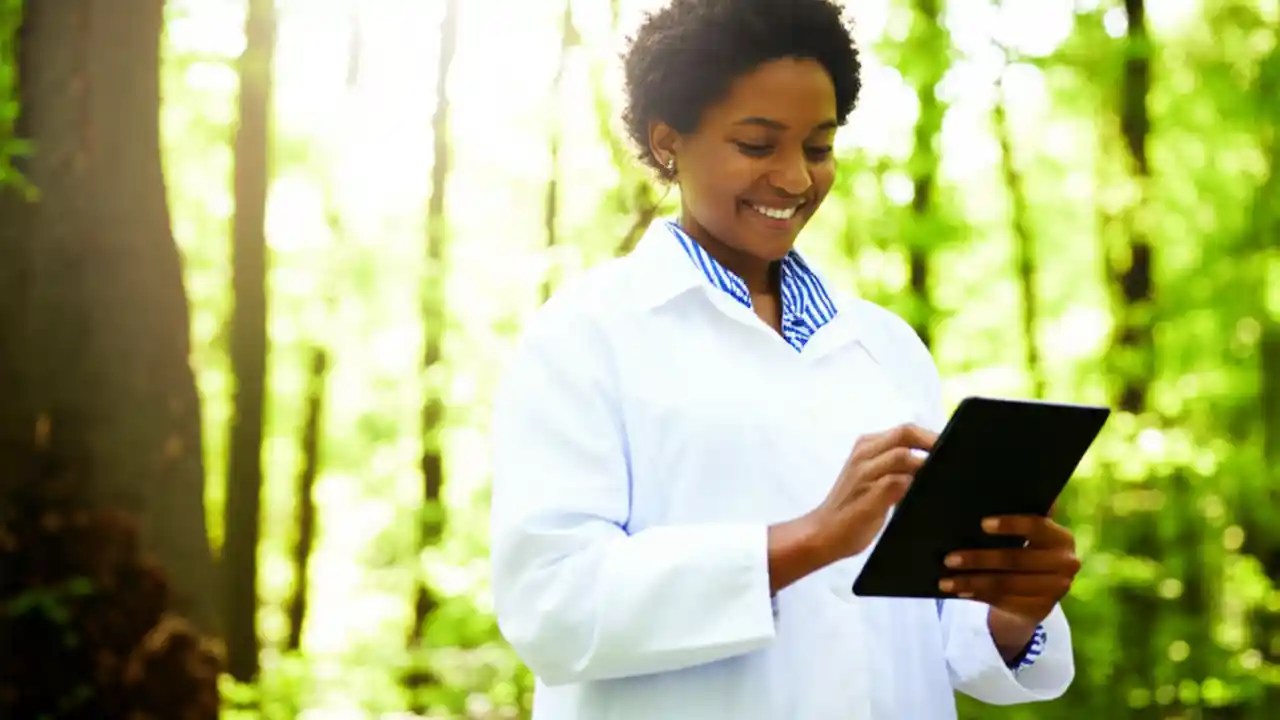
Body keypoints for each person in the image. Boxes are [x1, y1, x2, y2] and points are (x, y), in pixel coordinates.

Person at [488, 0, 1081, 717]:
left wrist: (1011, 607)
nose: (797, 179)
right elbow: (552, 608)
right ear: (668, 140)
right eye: (757, 145)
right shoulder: (585, 337)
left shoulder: (887, 348)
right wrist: (807, 541)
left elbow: (936, 631)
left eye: (819, 148)